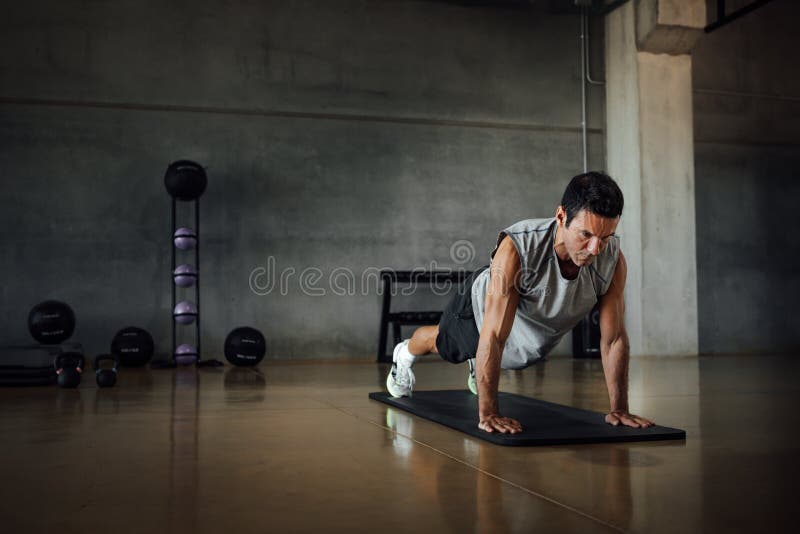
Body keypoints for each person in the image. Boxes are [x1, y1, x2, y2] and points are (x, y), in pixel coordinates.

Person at [385, 171, 655, 434]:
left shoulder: (612, 261)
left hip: (523, 335)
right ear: (561, 216)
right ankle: (404, 353)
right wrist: (489, 413)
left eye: (605, 238)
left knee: (497, 351)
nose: (595, 249)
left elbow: (614, 339)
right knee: (442, 343)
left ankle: (477, 363)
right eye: (585, 235)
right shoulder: (519, 249)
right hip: (480, 311)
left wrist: (619, 409)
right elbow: (492, 335)